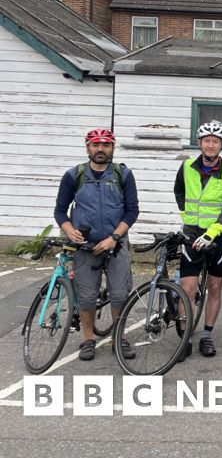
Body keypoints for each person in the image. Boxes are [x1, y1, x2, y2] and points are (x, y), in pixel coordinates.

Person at [53, 128, 140, 361]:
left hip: (116, 244)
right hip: (86, 248)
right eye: (95, 145)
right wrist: (70, 231)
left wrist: (114, 237)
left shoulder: (123, 174)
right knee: (87, 296)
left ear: (113, 147)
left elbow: (132, 211)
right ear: (87, 147)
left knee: (120, 294)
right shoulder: (74, 175)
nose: (100, 149)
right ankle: (88, 338)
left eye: (106, 145)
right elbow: (60, 211)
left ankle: (118, 337)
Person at [174, 120, 222, 359]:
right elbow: (179, 193)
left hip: (218, 238)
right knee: (187, 288)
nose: (211, 145)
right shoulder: (187, 167)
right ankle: (185, 337)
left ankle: (207, 336)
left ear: (221, 145)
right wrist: (188, 219)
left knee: (214, 287)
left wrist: (211, 233)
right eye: (206, 141)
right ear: (200, 143)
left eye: (215, 141)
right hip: (192, 234)